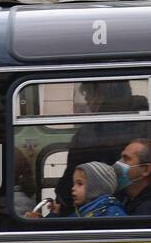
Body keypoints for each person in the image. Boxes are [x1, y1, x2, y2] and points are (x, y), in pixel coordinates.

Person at [55, 82, 137, 216]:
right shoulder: (139, 124)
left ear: (104, 95)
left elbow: (67, 183)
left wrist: (61, 202)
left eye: (89, 94)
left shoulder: (89, 134)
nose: (87, 100)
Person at [115, 138, 151, 215]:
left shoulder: (146, 210)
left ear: (146, 170)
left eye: (126, 159)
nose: (118, 163)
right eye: (121, 158)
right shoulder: (121, 198)